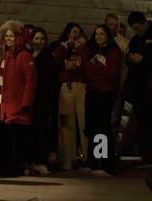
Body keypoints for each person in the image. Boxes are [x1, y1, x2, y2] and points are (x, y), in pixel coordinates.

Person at [0, 20, 36, 176]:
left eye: (11, 36)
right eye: (6, 36)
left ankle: (15, 167)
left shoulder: (23, 56)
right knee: (7, 138)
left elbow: (30, 81)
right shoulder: (4, 56)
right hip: (5, 104)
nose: (8, 39)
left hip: (16, 103)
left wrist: (26, 102)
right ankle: (8, 166)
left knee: (16, 139)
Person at [83, 24, 123, 176]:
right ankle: (93, 163)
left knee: (103, 128)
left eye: (102, 34)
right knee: (92, 127)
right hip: (92, 91)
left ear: (107, 36)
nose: (98, 36)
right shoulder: (90, 51)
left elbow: (110, 73)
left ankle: (105, 164)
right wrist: (96, 73)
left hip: (105, 93)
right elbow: (86, 69)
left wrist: (95, 73)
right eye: (96, 34)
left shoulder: (114, 52)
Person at [55, 22, 89, 171]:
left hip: (81, 87)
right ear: (68, 34)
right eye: (73, 32)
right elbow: (55, 58)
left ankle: (87, 159)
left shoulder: (85, 50)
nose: (76, 35)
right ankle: (69, 159)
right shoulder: (64, 49)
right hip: (65, 89)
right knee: (66, 123)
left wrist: (81, 48)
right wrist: (64, 46)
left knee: (84, 123)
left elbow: (87, 67)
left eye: (79, 32)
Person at [29, 27, 60, 175]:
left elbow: (52, 82)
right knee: (33, 132)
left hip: (43, 99)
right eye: (36, 38)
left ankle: (42, 161)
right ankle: (33, 161)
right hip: (31, 99)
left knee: (42, 132)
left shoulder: (48, 58)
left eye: (42, 39)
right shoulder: (28, 55)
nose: (39, 42)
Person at [123, 12, 149, 164]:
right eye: (134, 29)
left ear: (145, 22)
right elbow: (129, 57)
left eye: (138, 28)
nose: (137, 31)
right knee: (142, 121)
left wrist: (143, 59)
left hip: (148, 84)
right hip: (138, 87)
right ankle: (145, 154)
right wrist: (131, 58)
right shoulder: (134, 39)